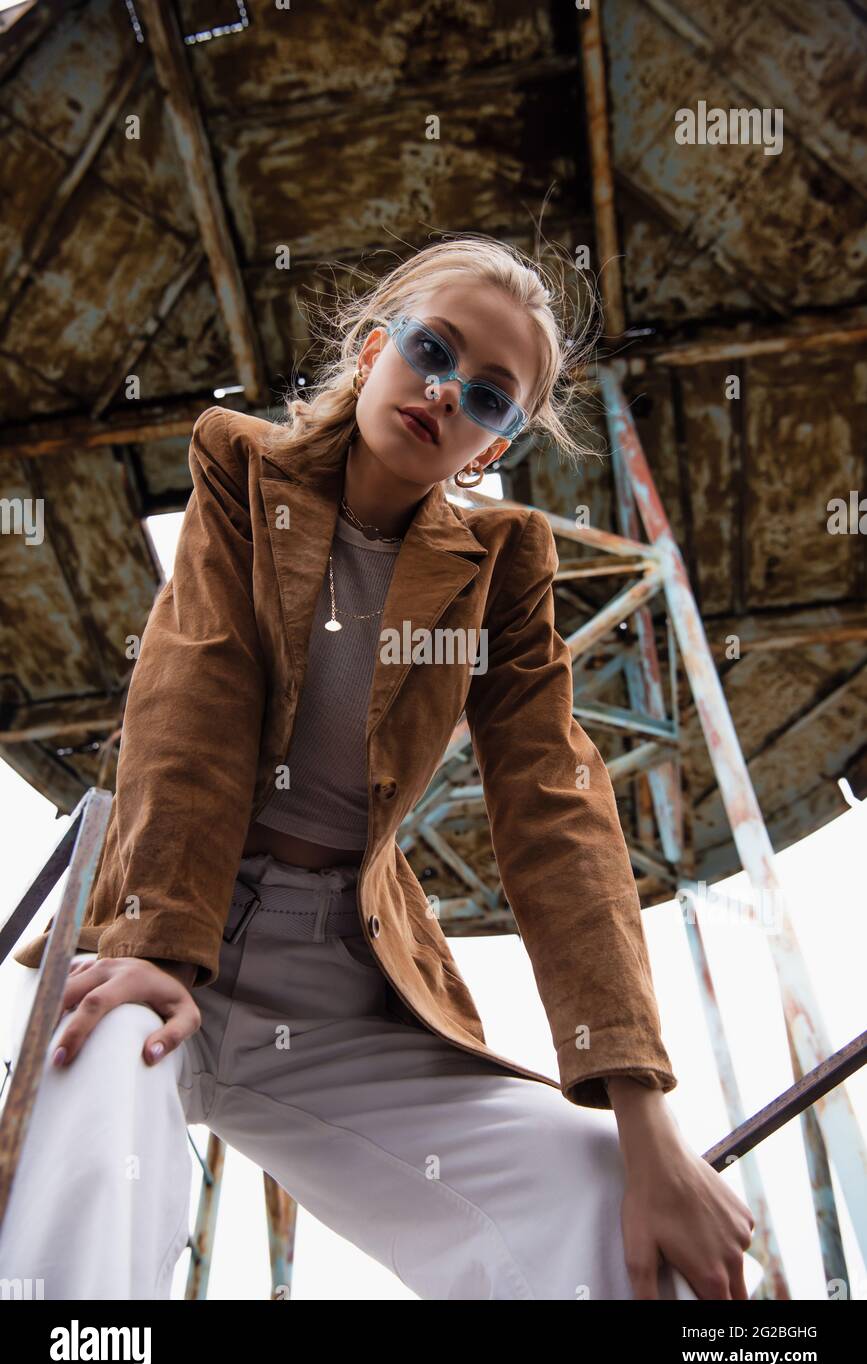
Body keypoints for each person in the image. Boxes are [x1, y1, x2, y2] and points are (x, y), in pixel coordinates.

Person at [2, 235, 758, 1300]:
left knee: (597, 1186)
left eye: (491, 397)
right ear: (371, 352)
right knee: (92, 1111)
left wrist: (643, 1119)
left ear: (490, 450)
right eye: (432, 349)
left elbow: (556, 809)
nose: (449, 392)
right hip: (166, 925)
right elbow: (196, 695)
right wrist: (161, 948)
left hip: (337, 991)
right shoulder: (241, 467)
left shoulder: (504, 571)